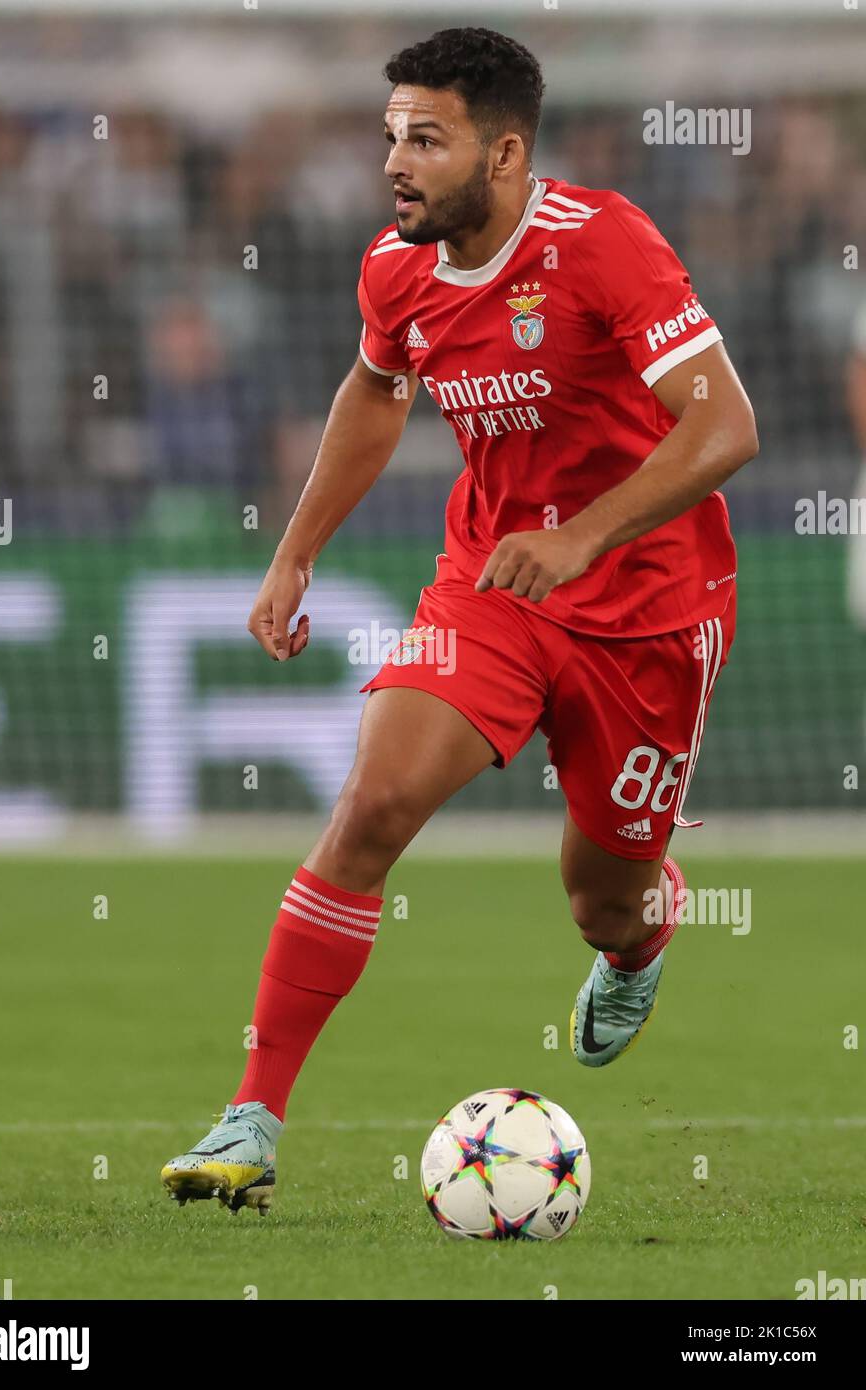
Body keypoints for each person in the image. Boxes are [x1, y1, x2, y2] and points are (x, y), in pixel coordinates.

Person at [161, 26, 758, 1216]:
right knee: (372, 804)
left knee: (604, 893)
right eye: (391, 135)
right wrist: (294, 553)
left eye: (425, 139)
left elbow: (726, 426)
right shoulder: (397, 266)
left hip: (646, 612)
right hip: (491, 588)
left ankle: (638, 941)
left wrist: (585, 535)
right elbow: (376, 392)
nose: (397, 161)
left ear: (504, 152)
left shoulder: (607, 246)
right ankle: (252, 1119)